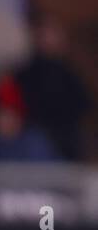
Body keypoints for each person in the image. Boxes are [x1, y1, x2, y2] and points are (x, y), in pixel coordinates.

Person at [14, 12, 93, 161]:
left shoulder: (70, 72)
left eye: (51, 33)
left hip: (66, 139)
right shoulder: (25, 73)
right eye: (42, 33)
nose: (46, 38)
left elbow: (85, 103)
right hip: (34, 137)